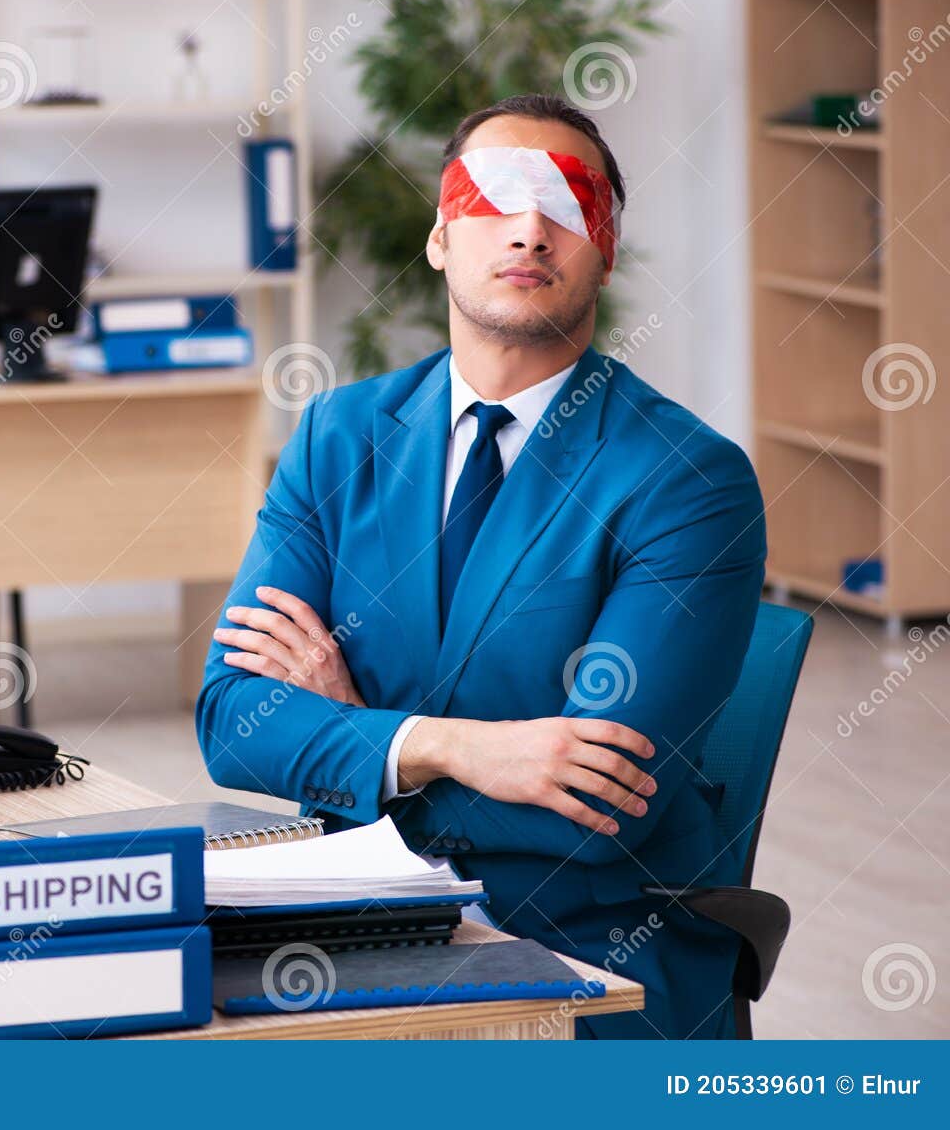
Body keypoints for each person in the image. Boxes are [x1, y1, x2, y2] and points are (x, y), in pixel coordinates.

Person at [196, 93, 766, 1039]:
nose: (530, 229)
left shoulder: (686, 479)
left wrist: (354, 735)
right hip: (350, 930)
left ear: (606, 253)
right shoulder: (337, 436)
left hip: (582, 952)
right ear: (440, 238)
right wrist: (455, 746)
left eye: (570, 205)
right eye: (496, 196)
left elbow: (589, 810)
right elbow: (233, 723)